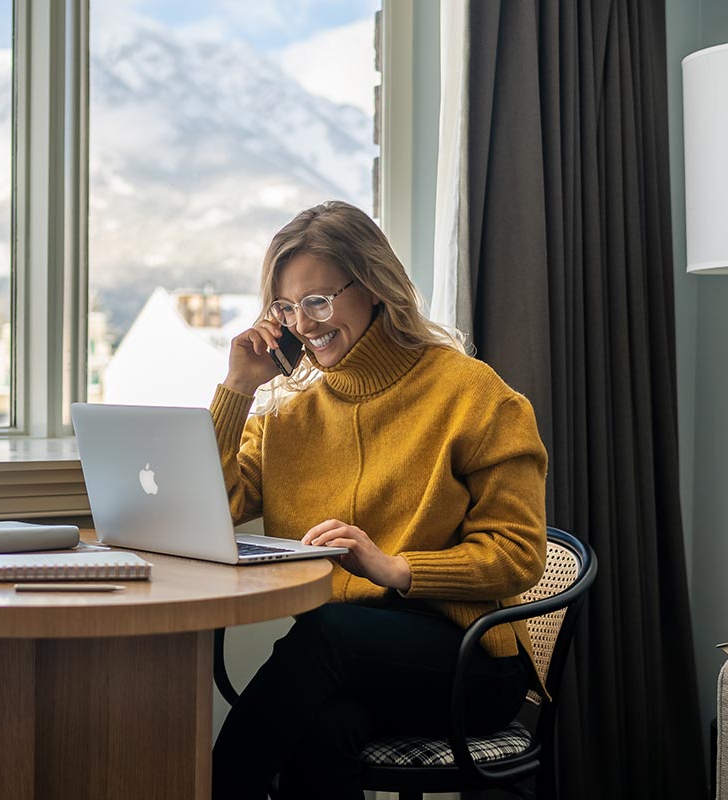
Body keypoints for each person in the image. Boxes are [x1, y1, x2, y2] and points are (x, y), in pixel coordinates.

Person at [209, 200, 548, 799]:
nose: (303, 324)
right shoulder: (288, 410)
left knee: (327, 635)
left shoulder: (473, 396)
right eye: (286, 308)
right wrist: (237, 387)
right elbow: (217, 509)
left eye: (317, 301)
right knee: (321, 731)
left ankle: (217, 786)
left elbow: (519, 555)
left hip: (469, 662)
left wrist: (395, 567)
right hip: (345, 662)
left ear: (373, 286)